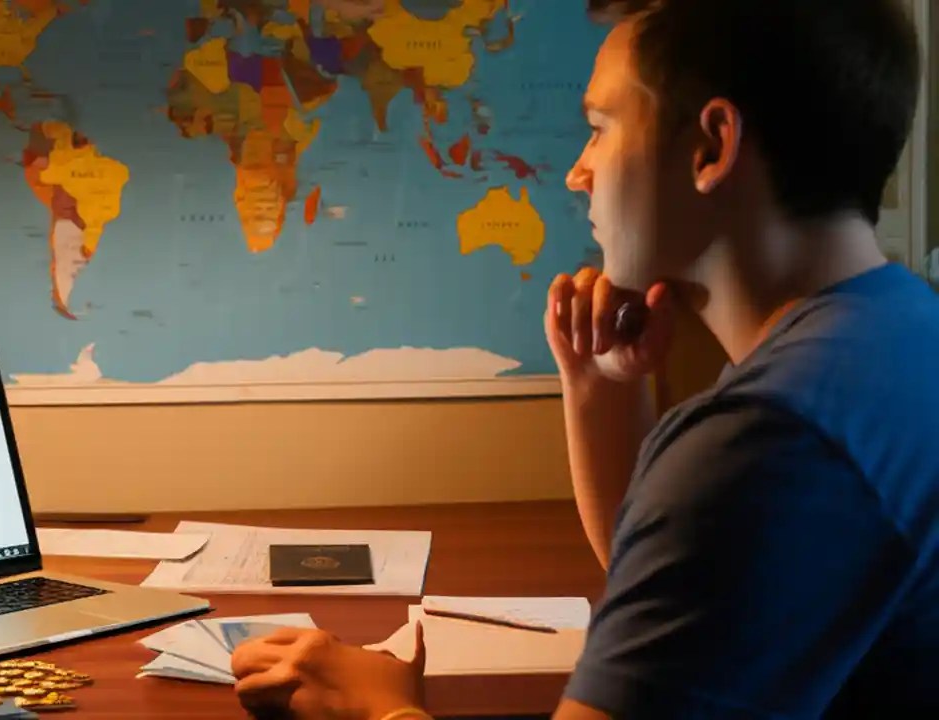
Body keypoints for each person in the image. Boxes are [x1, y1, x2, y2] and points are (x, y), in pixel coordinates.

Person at [229, 0, 937, 717]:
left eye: (599, 130)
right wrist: (600, 389)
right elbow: (680, 598)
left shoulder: (765, 435)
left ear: (711, 148)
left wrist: (376, 706)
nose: (577, 173)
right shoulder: (893, 332)